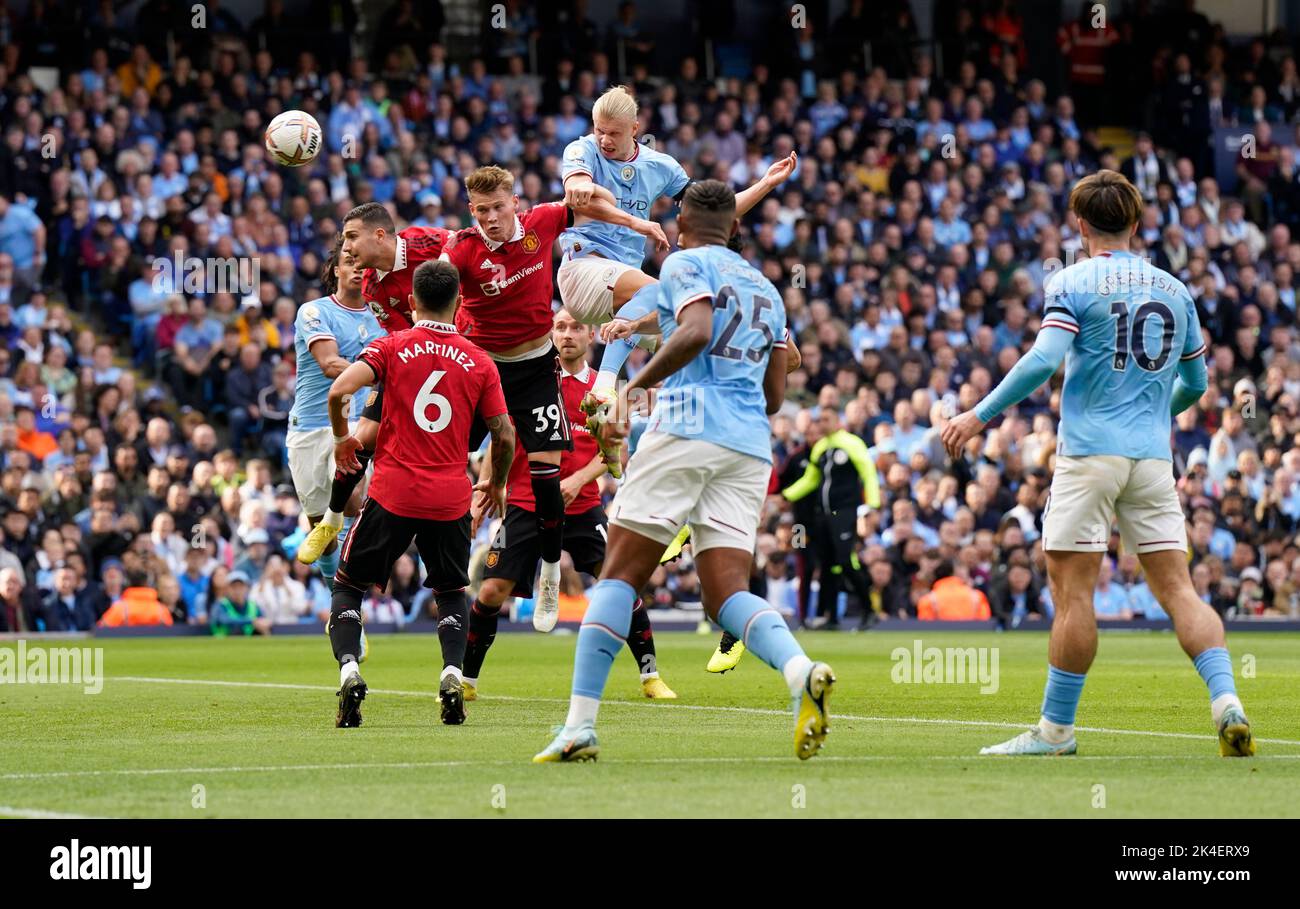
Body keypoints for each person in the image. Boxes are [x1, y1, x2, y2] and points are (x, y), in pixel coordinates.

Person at [943, 169, 1254, 757]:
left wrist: (976, 416)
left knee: (1074, 596)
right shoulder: (1175, 289)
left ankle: (1056, 733)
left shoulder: (1072, 280)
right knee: (1181, 592)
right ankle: (1227, 703)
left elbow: (1042, 361)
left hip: (1089, 457)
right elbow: (1197, 381)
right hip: (1152, 460)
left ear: (1079, 224)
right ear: (1136, 224)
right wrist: (1159, 414)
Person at [535, 180, 833, 764]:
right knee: (726, 596)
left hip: (686, 430)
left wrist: (631, 392)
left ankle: (579, 726)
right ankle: (800, 671)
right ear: (735, 226)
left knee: (618, 576)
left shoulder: (683, 263)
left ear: (682, 221)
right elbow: (776, 395)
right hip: (748, 447)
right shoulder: (767, 290)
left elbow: (695, 331)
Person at [440, 164, 668, 629]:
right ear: (471, 210)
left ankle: (548, 571)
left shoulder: (542, 223)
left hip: (533, 368)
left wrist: (638, 222)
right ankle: (443, 559)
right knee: (449, 453)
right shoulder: (461, 248)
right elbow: (436, 287)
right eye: (481, 210)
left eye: (498, 208)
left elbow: (584, 202)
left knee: (546, 474)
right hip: (485, 368)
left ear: (515, 204)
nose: (490, 218)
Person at [326, 258, 515, 728]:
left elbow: (338, 391)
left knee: (349, 585)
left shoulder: (390, 346)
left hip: (393, 493)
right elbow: (504, 434)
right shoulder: (480, 361)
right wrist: (497, 480)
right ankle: (452, 674)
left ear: (411, 302)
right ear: (459, 304)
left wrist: (341, 438)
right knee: (452, 592)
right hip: (450, 497)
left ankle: (350, 671)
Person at [468, 307, 677, 699]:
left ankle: (650, 676)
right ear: (550, 333)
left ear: (591, 335)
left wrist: (577, 481)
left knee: (622, 584)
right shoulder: (527, 381)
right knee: (492, 590)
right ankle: (466, 680)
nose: (567, 335)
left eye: (576, 328)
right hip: (527, 502)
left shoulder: (604, 388)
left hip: (582, 508)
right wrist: (485, 488)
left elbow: (613, 451)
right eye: (560, 327)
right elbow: (502, 437)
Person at [296, 202, 454, 565]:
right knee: (361, 439)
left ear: (379, 235)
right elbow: (402, 332)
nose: (347, 247)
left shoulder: (427, 242)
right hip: (414, 361)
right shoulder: (370, 285)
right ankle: (332, 521)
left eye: (352, 237)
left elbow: (468, 254)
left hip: (458, 353)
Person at [287, 241, 380, 586]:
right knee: (319, 527)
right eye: (349, 261)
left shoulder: (382, 318)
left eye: (362, 261)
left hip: (353, 422)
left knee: (353, 500)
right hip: (309, 427)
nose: (357, 267)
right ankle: (333, 594)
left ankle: (346, 608)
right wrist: (379, 369)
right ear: (336, 270)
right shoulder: (314, 311)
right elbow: (329, 364)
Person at [210, 570, 271, 636]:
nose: (237, 590)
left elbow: (262, 621)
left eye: (241, 586)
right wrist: (251, 621)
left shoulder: (253, 605)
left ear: (247, 588)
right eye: (233, 586)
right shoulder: (221, 604)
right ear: (227, 588)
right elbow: (224, 620)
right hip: (223, 644)